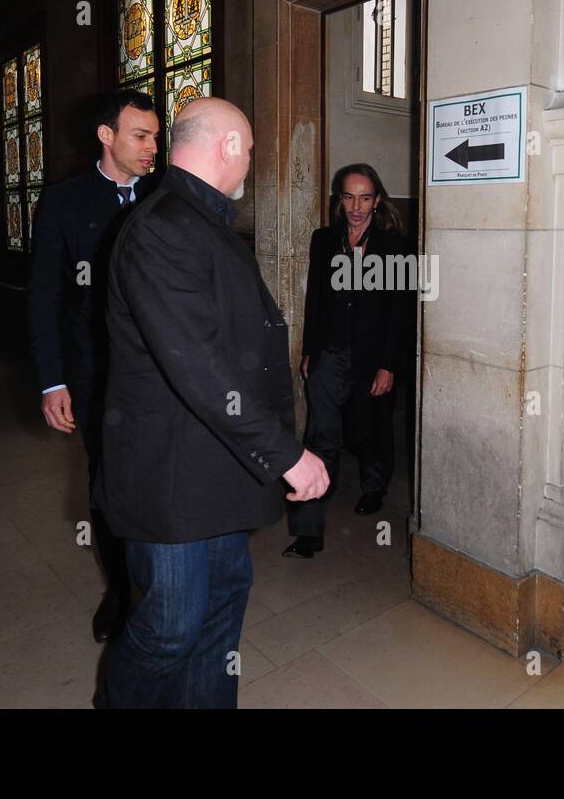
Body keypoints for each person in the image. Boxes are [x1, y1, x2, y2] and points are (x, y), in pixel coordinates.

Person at [95, 96, 330, 709]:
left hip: (218, 468)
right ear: (227, 147)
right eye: (248, 150)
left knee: (221, 611)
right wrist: (286, 453)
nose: (249, 161)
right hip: (170, 479)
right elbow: (199, 367)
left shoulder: (202, 220)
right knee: (169, 628)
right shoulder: (162, 228)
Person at [27, 89, 159, 643]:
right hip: (96, 375)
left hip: (163, 373)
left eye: (156, 137)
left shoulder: (166, 194)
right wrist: (53, 380)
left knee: (160, 477)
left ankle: (160, 582)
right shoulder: (64, 202)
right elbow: (45, 297)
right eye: (140, 136)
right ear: (106, 135)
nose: (152, 147)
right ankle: (120, 591)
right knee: (107, 484)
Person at [284, 164, 412, 559]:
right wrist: (310, 349)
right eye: (348, 197)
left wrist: (389, 365)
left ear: (377, 201)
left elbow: (401, 311)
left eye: (364, 198)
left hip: (373, 357)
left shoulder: (395, 245)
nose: (356, 207)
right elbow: (316, 299)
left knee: (370, 427)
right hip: (330, 354)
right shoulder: (324, 240)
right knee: (320, 434)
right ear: (339, 200)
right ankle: (309, 530)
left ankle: (374, 486)